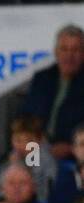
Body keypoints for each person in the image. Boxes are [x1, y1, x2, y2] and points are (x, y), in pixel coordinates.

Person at [19, 24, 84, 160]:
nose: (69, 56)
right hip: (38, 147)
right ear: (56, 52)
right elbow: (27, 116)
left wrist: (70, 146)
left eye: (75, 50)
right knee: (21, 171)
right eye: (64, 49)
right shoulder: (42, 78)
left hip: (74, 152)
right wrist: (35, 142)